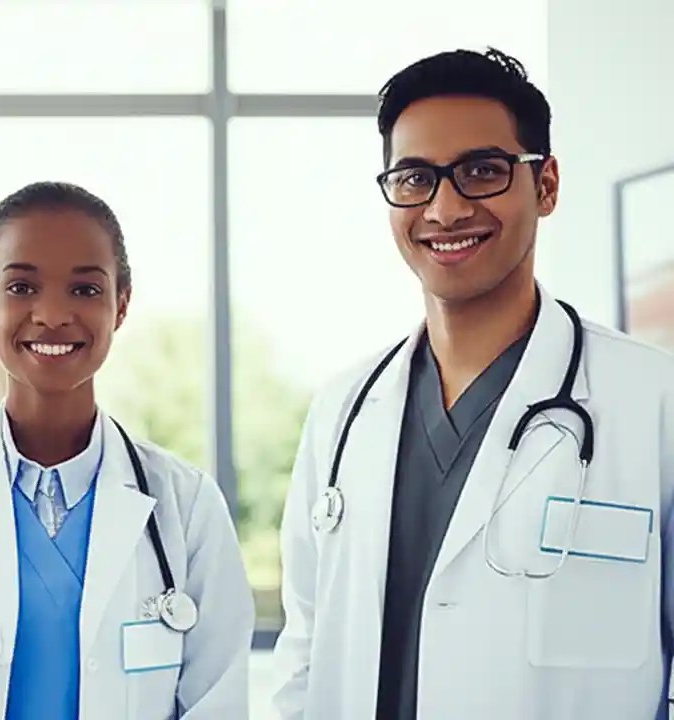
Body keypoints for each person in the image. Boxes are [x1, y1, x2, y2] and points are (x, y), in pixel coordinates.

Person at [270, 47, 674, 719]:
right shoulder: (344, 409)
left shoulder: (653, 400)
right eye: (415, 179)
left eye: (482, 171)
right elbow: (306, 649)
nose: (445, 208)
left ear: (545, 185)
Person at [0, 181, 254, 719]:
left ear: (121, 305)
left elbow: (218, 701)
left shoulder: (188, 505)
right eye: (21, 287)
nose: (53, 314)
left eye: (84, 289)